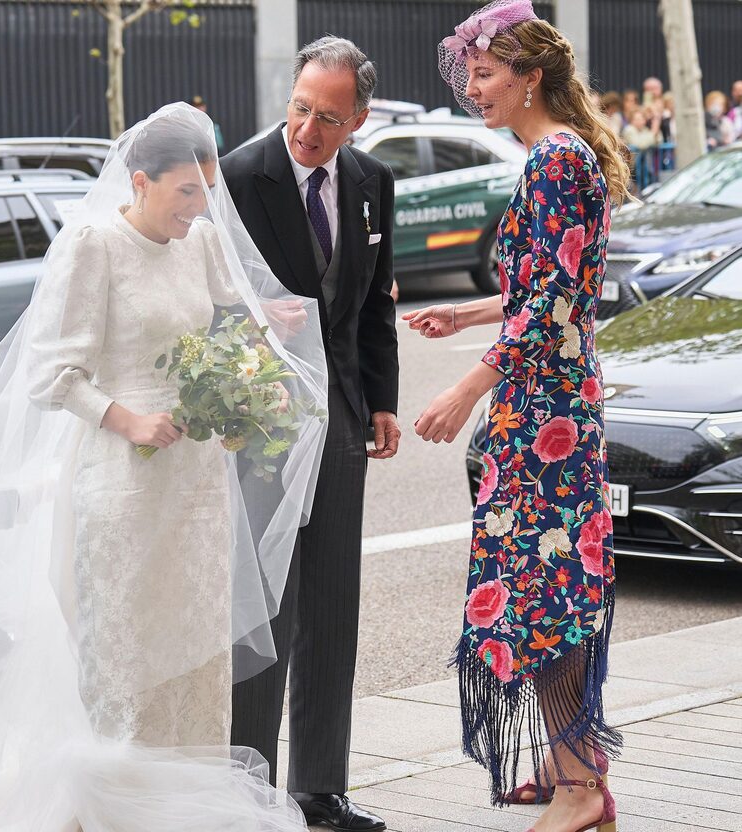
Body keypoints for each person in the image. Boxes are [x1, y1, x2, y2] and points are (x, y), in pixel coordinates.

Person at [0, 103, 328, 831]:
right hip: (120, 478)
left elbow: (230, 323)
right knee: (124, 654)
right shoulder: (94, 245)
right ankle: (114, 809)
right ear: (139, 180)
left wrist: (257, 367)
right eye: (184, 192)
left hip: (192, 483)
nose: (196, 207)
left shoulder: (205, 241)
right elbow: (50, 374)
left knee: (193, 649)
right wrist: (127, 418)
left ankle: (184, 802)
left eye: (204, 191)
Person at [416, 2, 630, 831]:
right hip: (553, 403)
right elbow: (545, 287)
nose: (473, 90)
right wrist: (467, 319)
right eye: (470, 74)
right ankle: (574, 763)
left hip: (543, 409)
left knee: (544, 592)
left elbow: (548, 306)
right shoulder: (560, 154)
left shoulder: (552, 159)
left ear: (528, 76)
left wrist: (466, 386)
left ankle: (579, 787)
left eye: (483, 74)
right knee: (551, 584)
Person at [222, 36, 399, 832]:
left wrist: (382, 400)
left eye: (327, 118)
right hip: (259, 426)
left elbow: (370, 306)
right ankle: (245, 785)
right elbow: (202, 305)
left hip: (341, 422)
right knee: (262, 605)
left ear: (357, 119)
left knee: (332, 607)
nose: (306, 130)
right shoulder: (234, 176)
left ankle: (318, 791)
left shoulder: (371, 184)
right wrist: (258, 321)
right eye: (299, 107)